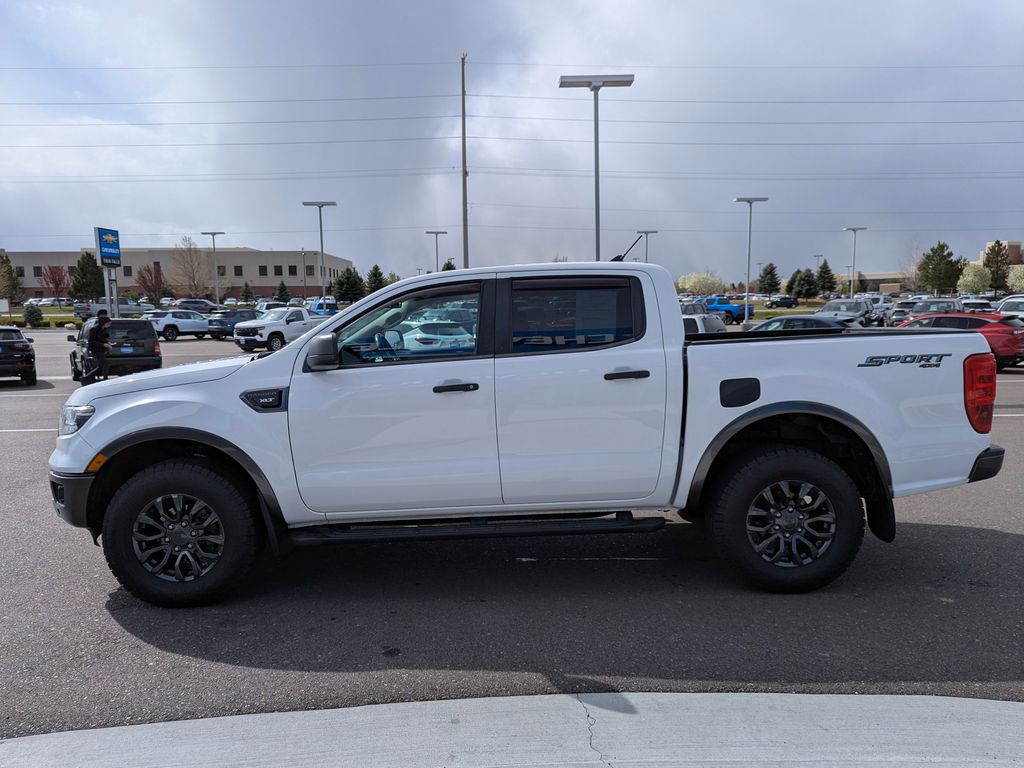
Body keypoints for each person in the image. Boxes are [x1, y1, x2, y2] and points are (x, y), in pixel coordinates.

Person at [87, 315, 112, 381]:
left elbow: (103, 339)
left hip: (102, 350)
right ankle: (104, 379)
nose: (109, 325)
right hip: (95, 350)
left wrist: (107, 342)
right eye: (108, 323)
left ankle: (88, 377)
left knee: (101, 366)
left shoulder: (103, 329)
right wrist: (103, 344)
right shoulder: (94, 330)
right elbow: (92, 341)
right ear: (103, 323)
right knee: (105, 365)